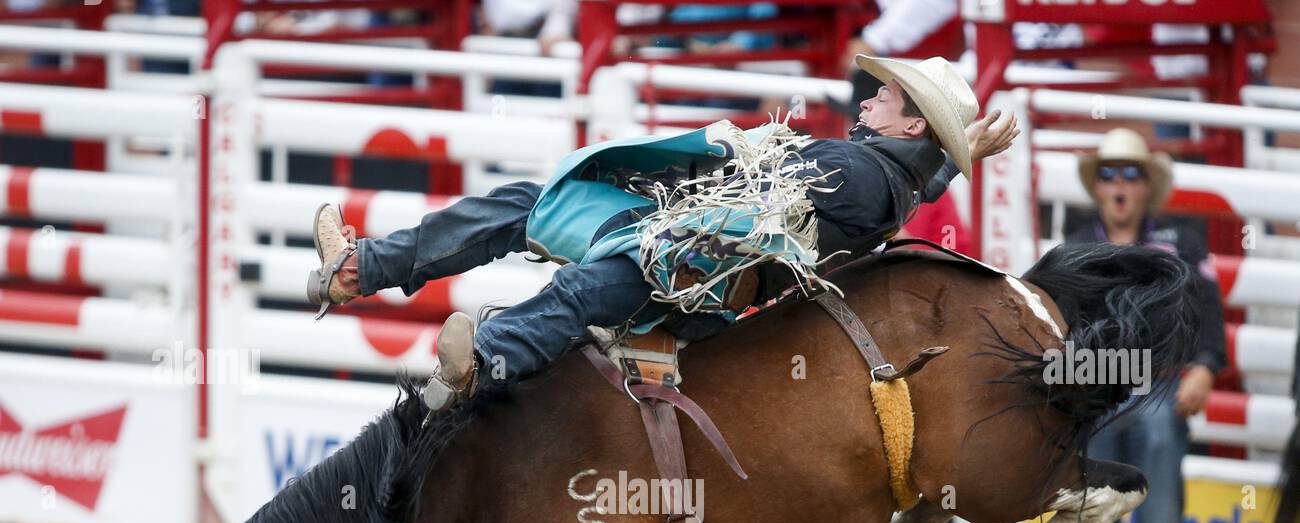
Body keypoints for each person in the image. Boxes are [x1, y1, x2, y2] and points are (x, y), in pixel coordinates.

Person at [307, 55, 1017, 414]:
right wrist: (953, 160)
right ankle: (363, 269)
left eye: (884, 98)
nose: (867, 101)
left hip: (690, 271)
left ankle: (478, 362)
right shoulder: (887, 178)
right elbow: (892, 185)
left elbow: (754, 183)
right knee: (532, 205)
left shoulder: (860, 173)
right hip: (693, 257)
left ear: (911, 125)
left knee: (585, 280)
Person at [1065, 128, 1227, 523]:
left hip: (1155, 393)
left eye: (1129, 174)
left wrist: (1204, 364)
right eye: (1109, 173)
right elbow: (1052, 333)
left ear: (1145, 187)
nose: (1119, 185)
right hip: (1097, 398)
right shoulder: (1073, 252)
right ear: (1099, 187)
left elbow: (1209, 315)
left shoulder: (1182, 245)